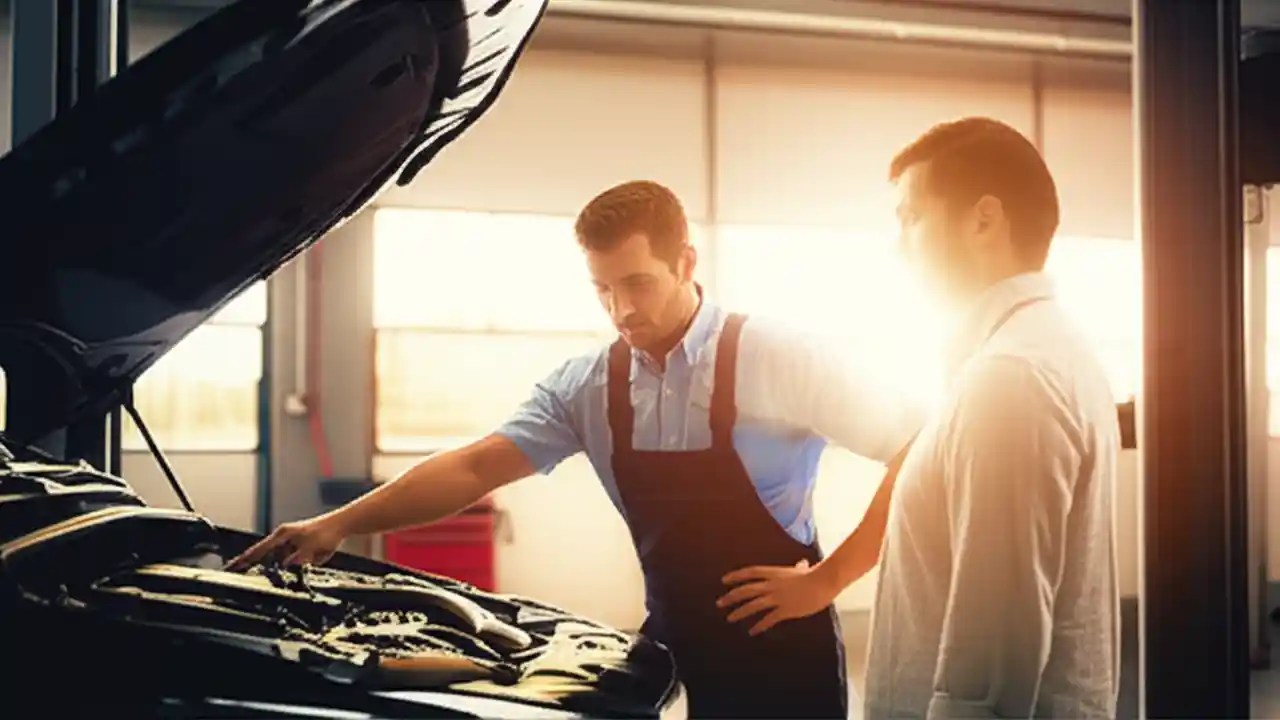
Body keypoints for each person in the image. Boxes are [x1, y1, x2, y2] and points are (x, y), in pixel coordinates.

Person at [229, 180, 924, 718]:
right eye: (603, 290)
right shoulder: (589, 386)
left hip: (782, 647)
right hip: (667, 643)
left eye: (639, 283)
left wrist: (829, 579)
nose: (622, 310)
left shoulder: (777, 355)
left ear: (686, 262)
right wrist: (338, 523)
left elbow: (918, 450)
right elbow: (475, 466)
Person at [858, 117, 1121, 719]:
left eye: (911, 218)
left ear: (983, 220)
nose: (898, 246)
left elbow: (989, 669)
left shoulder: (1012, 377)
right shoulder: (1038, 349)